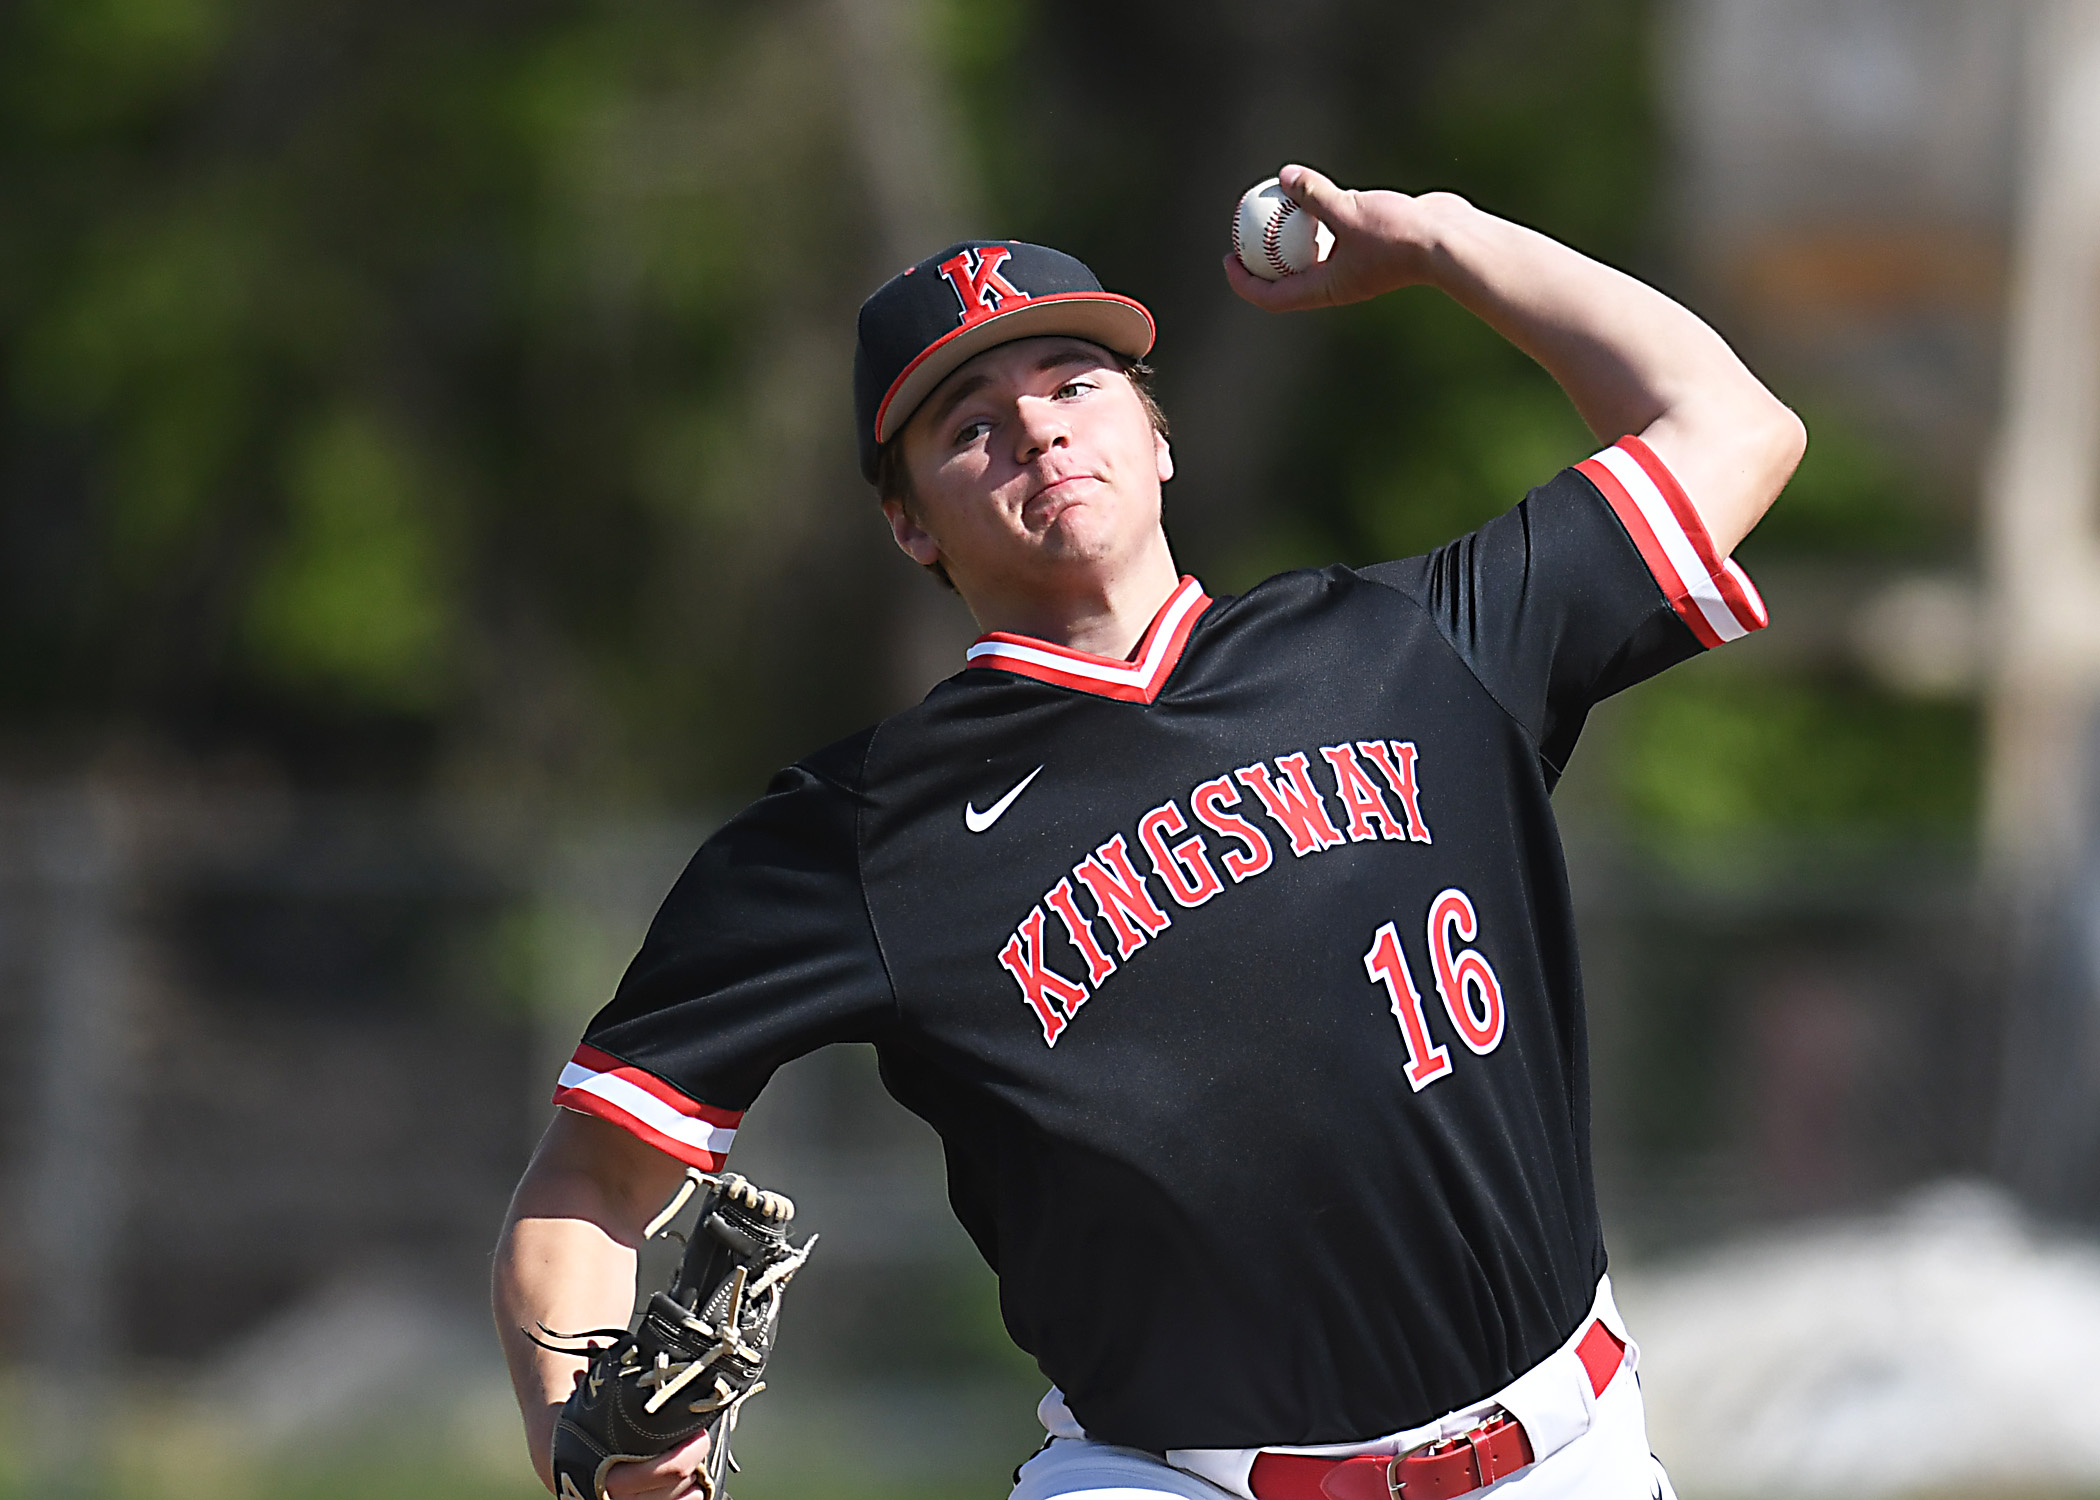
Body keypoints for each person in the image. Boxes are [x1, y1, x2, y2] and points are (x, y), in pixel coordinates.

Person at [492, 164, 1805, 1500]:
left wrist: (1443, 241)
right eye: (970, 423)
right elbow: (579, 1193)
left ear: (1157, 435)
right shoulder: (859, 836)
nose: (1040, 431)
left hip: (1561, 1455)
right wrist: (601, 1458)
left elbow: (1731, 425)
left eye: (1075, 383)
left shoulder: (1411, 650)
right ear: (908, 521)